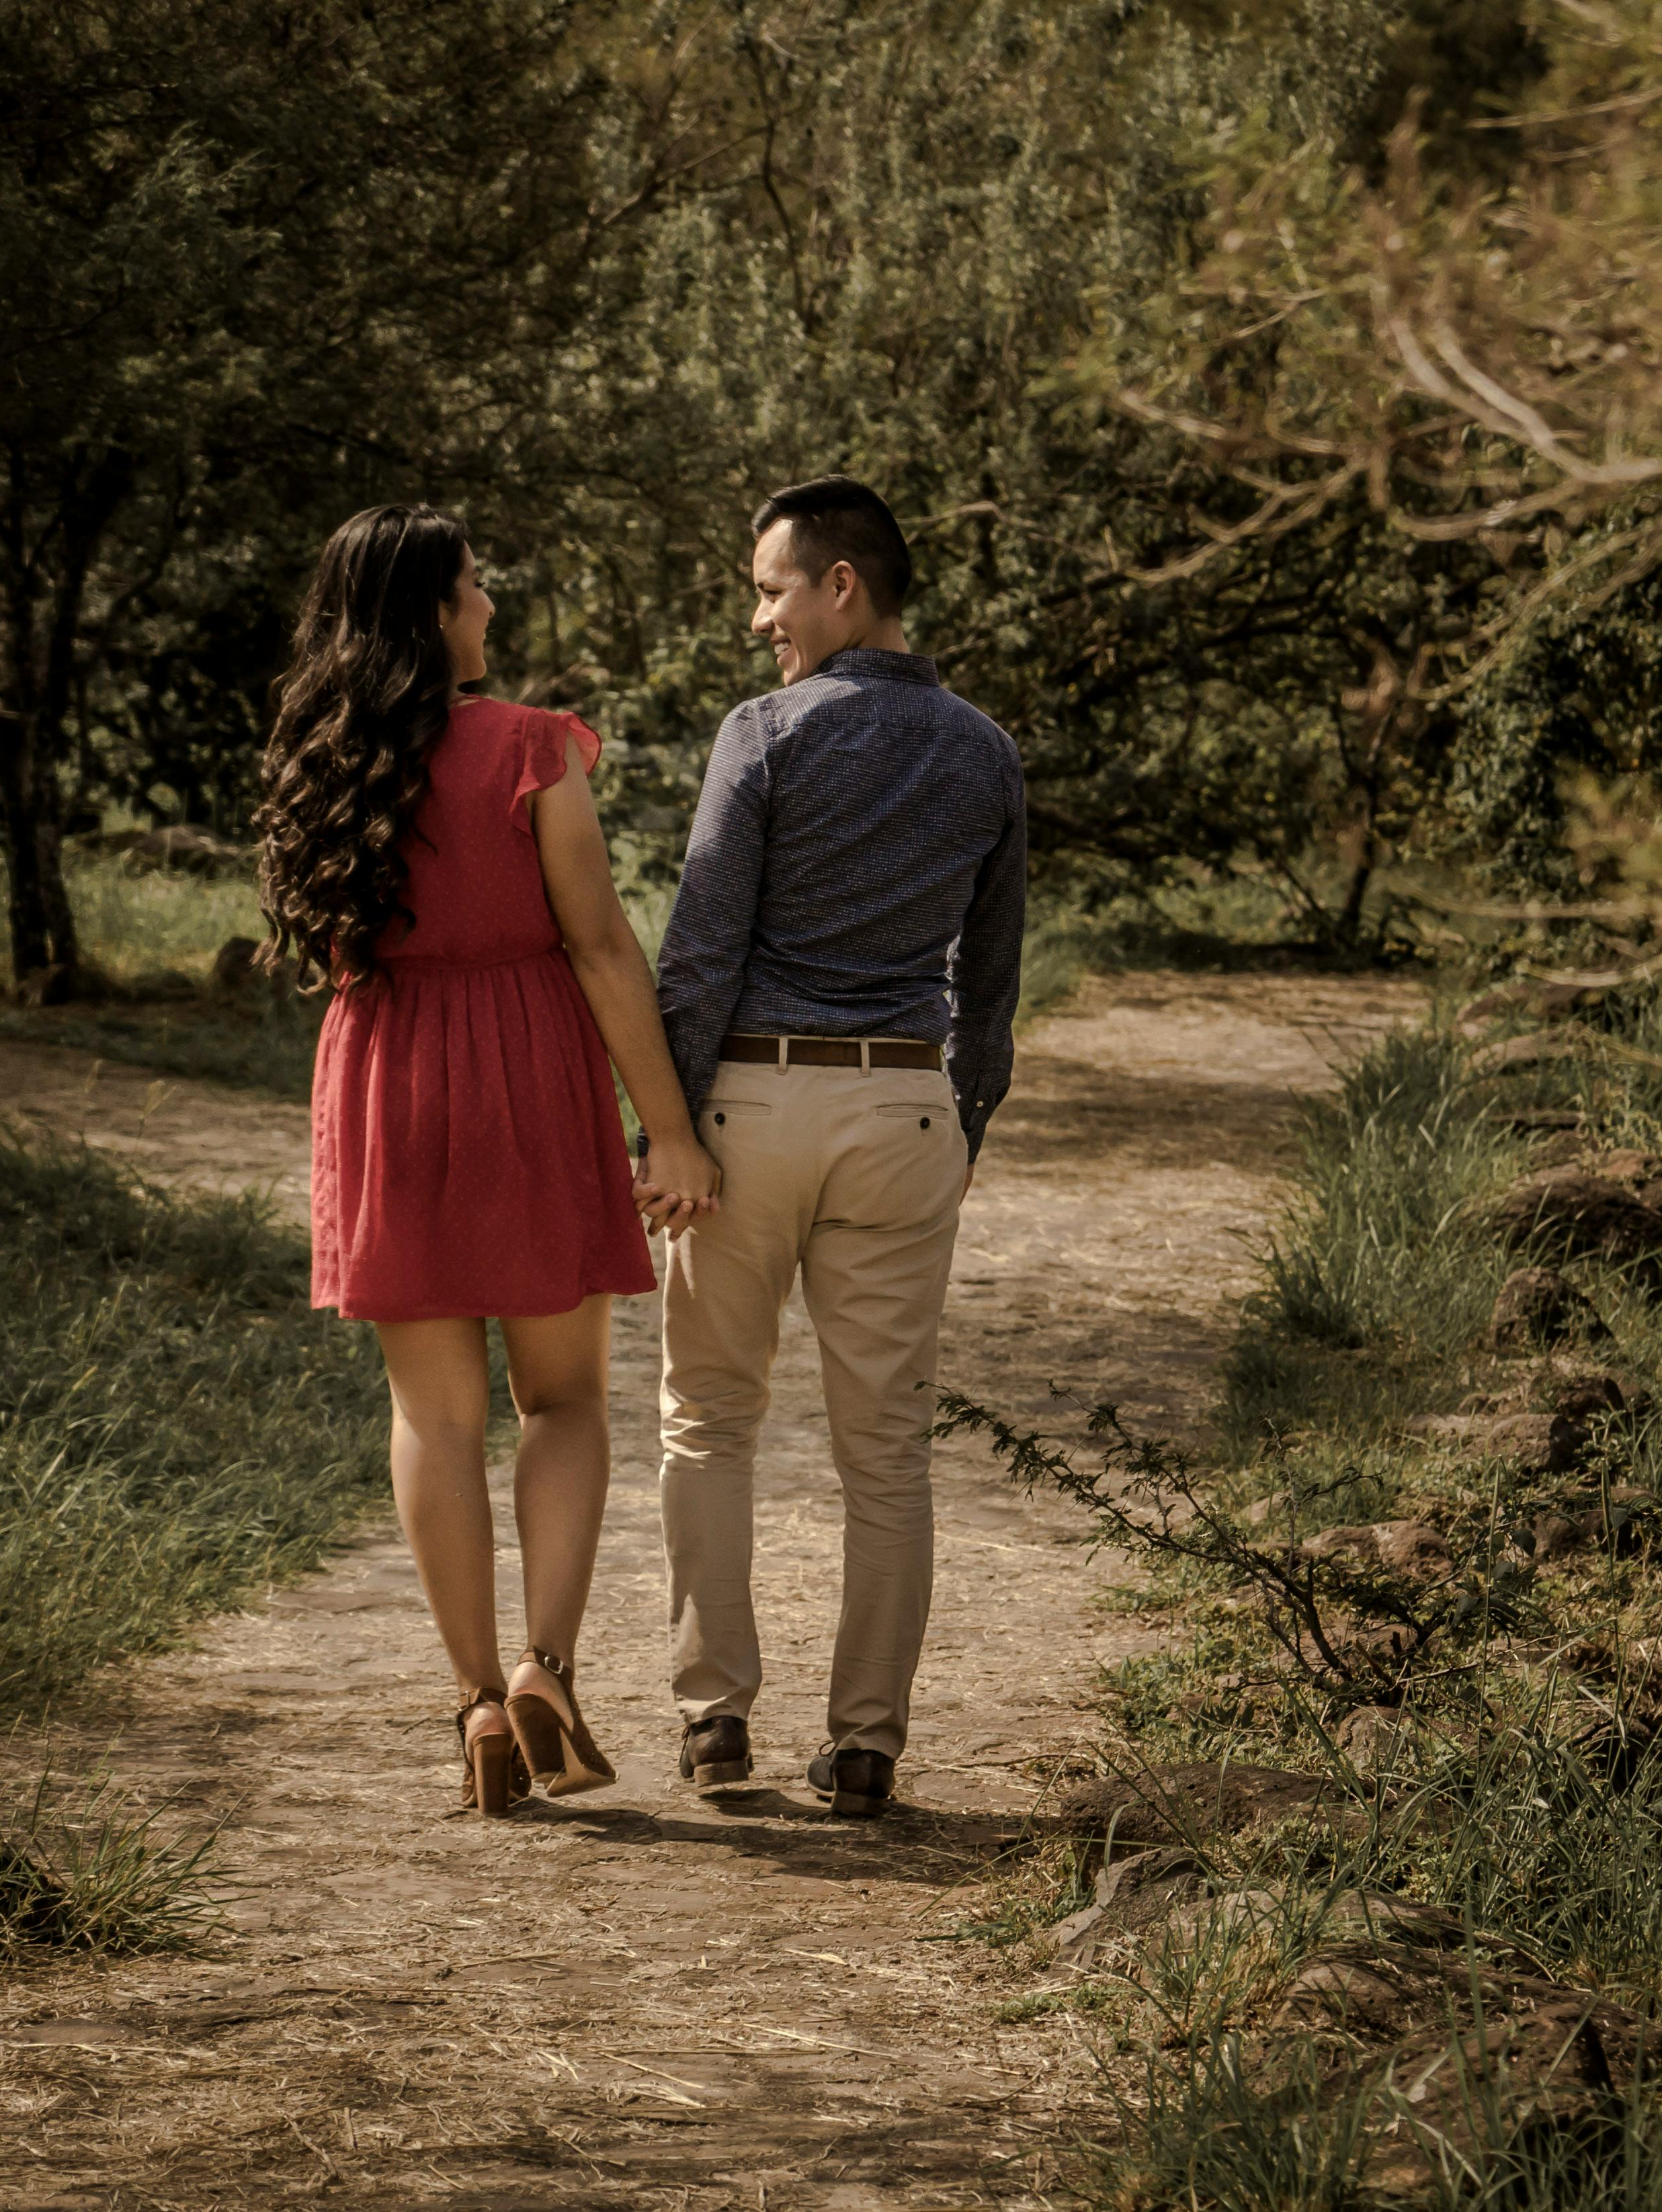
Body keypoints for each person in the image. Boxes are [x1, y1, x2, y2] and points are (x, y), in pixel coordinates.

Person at [255, 503, 722, 1820]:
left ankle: (473, 1701)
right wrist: (671, 1125)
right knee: (562, 1400)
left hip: (384, 1076)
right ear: (433, 611)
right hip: (522, 1066)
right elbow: (599, 945)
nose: (491, 609)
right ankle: (547, 1667)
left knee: (433, 1412)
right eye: (475, 589)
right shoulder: (528, 747)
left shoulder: (319, 758)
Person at [651, 474, 1027, 1820]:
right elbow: (990, 981)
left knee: (710, 1417)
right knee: (890, 1451)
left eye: (771, 589)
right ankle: (866, 1742)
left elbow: (700, 952)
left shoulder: (763, 737)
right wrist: (958, 1124)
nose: (762, 619)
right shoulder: (984, 749)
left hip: (750, 1106)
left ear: (841, 585)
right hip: (902, 1108)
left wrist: (671, 1124)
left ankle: (713, 1716)